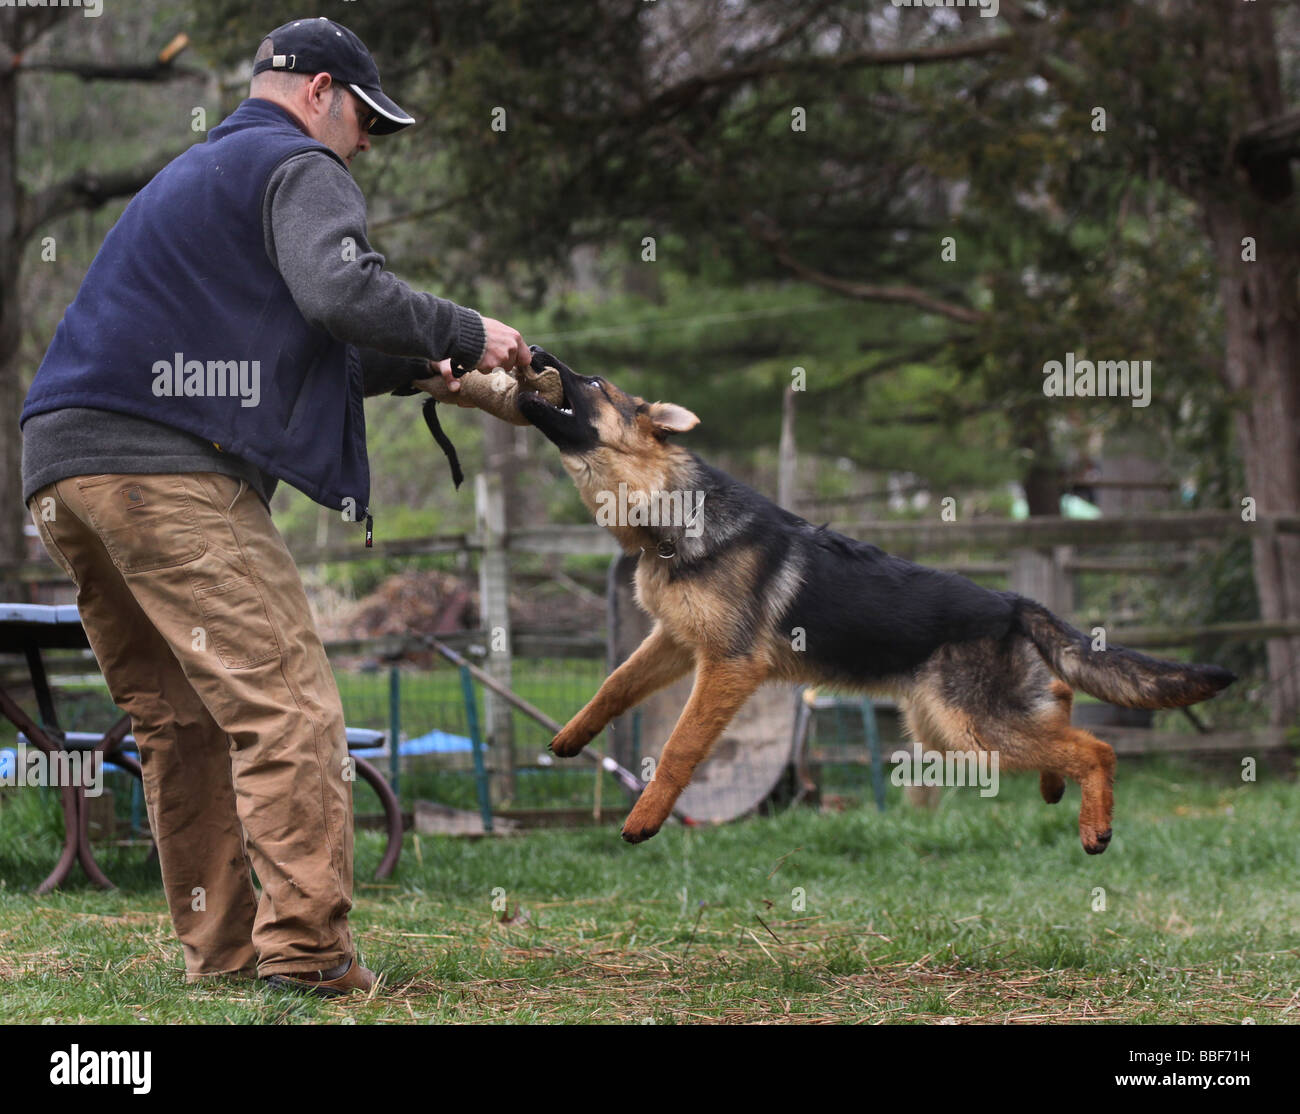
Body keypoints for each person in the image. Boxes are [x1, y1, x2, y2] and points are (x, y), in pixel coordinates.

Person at [17, 16, 528, 997]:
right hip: (162, 469)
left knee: (181, 722)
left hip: (66, 468)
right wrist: (470, 326)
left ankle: (225, 954)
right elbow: (342, 292)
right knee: (289, 709)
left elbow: (295, 345)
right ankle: (308, 956)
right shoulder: (298, 164)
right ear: (319, 90)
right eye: (367, 121)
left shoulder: (199, 178)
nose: (367, 146)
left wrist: (433, 363)